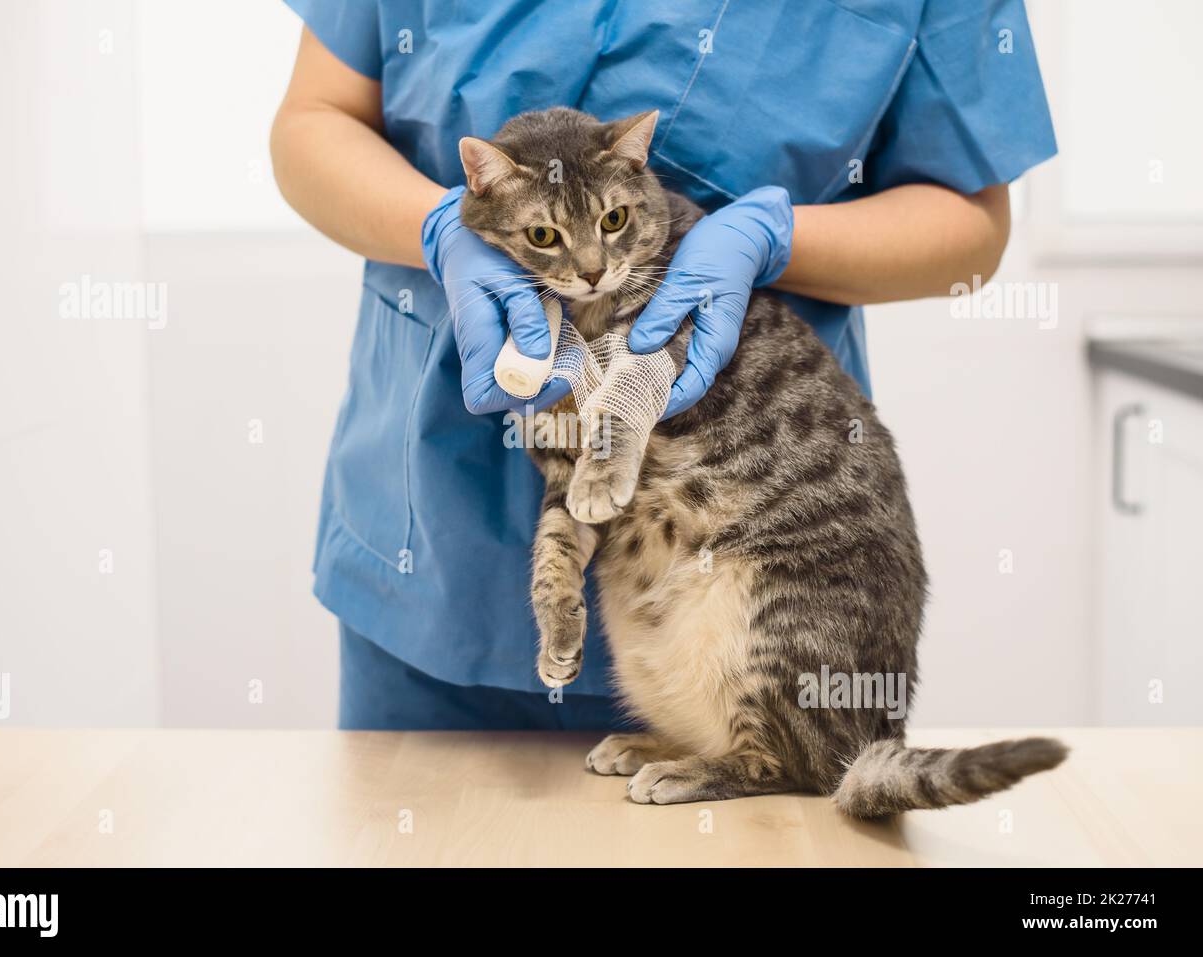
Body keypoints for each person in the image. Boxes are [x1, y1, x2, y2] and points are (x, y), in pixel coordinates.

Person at [270, 0, 1056, 730]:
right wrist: (438, 229)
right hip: (430, 555)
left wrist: (775, 237)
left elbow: (971, 224)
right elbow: (314, 119)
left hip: (748, 551)